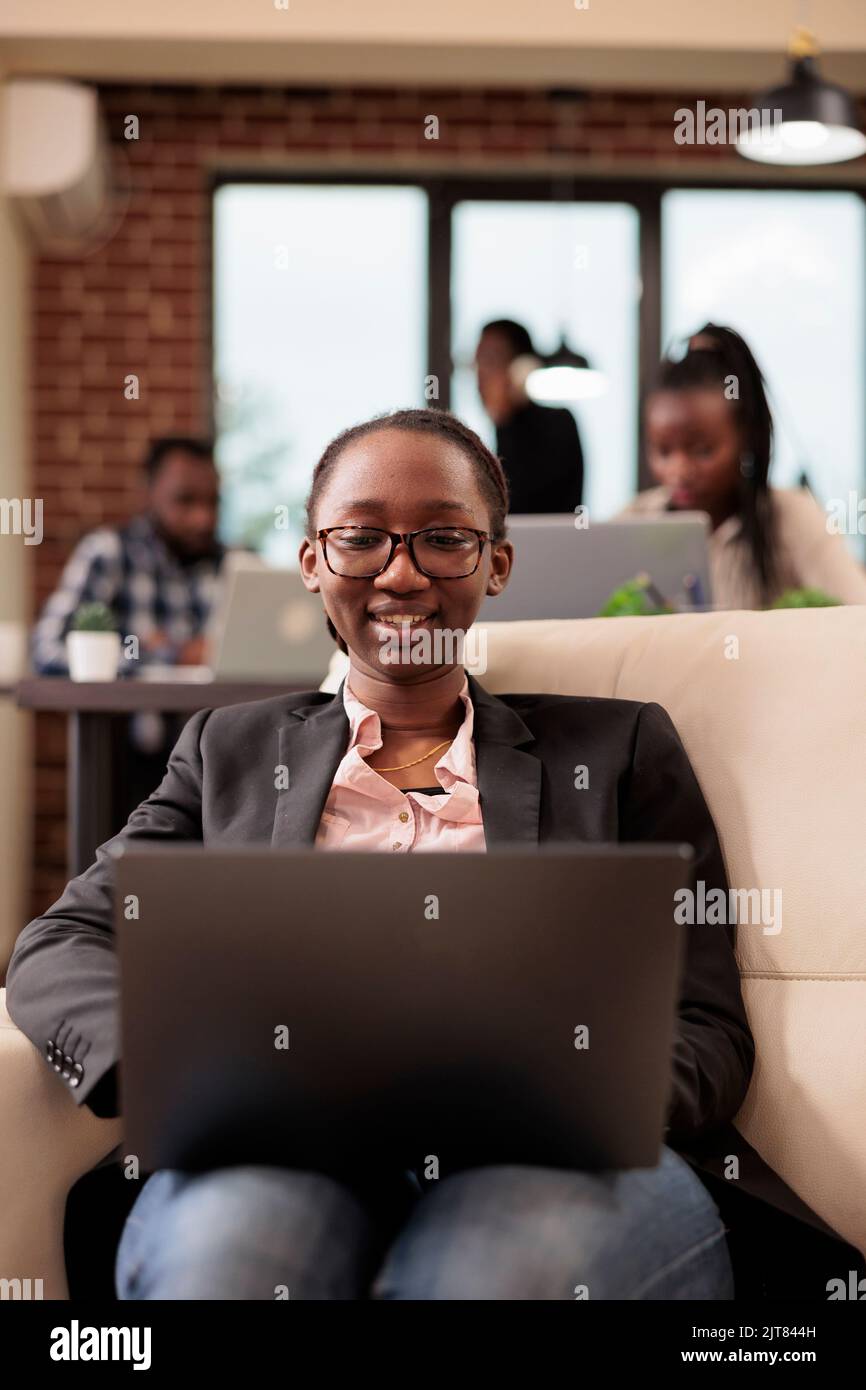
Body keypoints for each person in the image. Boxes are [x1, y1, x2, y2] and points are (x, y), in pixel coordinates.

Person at [9, 407, 763, 1299]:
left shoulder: (620, 749)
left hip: (560, 1160)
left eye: (443, 538)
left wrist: (581, 1090)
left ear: (498, 562)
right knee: (230, 1266)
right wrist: (176, 1070)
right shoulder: (229, 754)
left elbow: (709, 1029)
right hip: (282, 1151)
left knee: (489, 1276)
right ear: (312, 561)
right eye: (362, 538)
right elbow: (58, 947)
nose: (401, 575)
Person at [617, 324, 866, 609]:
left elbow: (859, 616)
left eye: (702, 451)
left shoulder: (791, 518)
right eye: (663, 451)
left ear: (746, 438)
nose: (679, 470)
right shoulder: (633, 522)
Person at [31, 435, 225, 676]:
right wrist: (168, 657)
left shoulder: (233, 565)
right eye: (185, 500)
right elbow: (46, 652)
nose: (203, 519)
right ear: (147, 493)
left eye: (213, 502)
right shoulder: (107, 554)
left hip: (219, 715)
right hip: (138, 715)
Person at [475, 319, 584, 514]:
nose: (480, 374)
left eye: (490, 360)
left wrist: (505, 418)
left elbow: (520, 506)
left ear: (522, 368)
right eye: (477, 363)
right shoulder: (495, 430)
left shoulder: (558, 424)